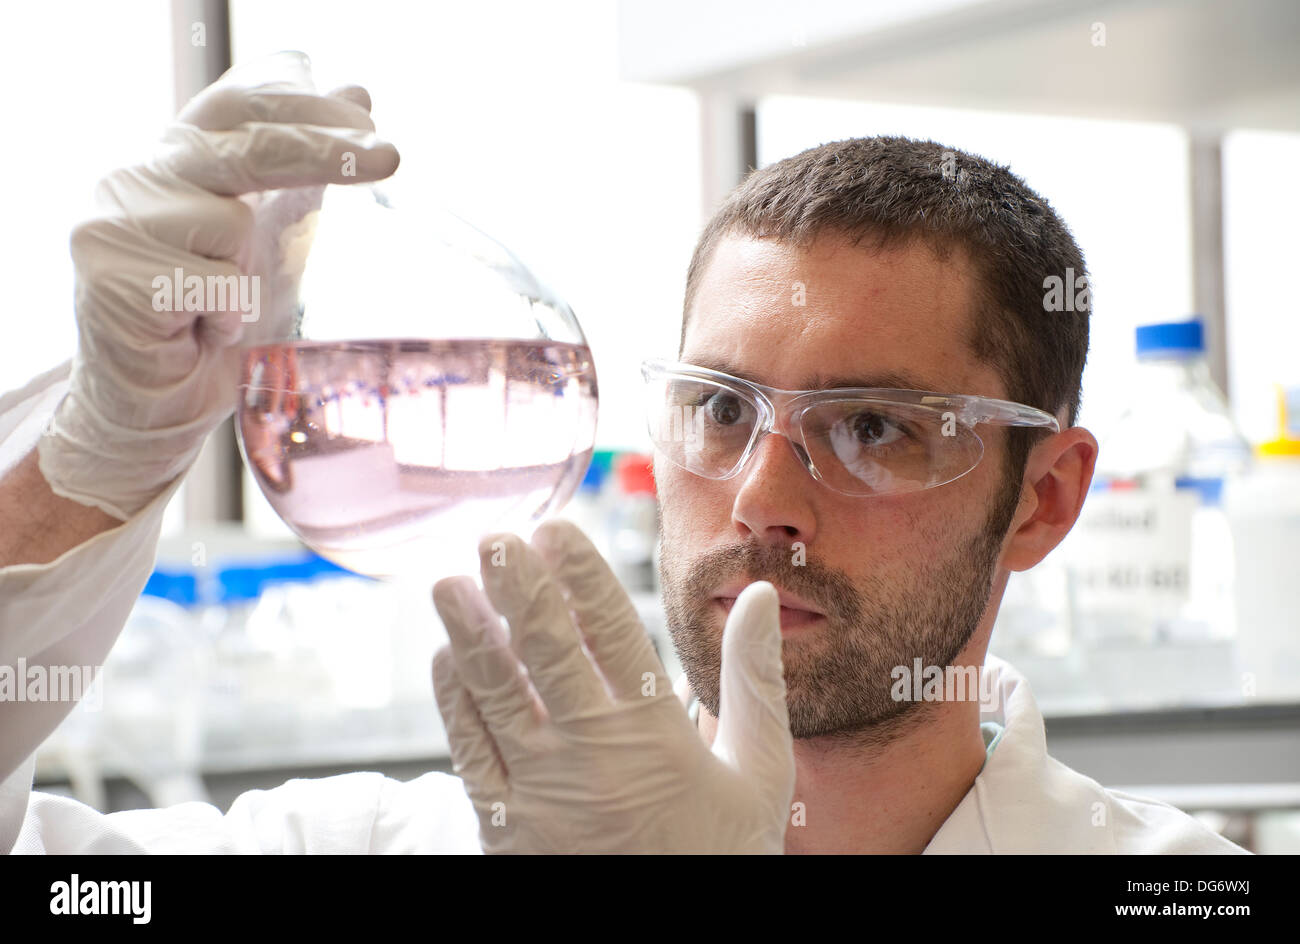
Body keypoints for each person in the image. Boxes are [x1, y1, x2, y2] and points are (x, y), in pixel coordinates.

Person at [0, 63, 1246, 854]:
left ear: (1045, 498)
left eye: (871, 427)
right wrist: (89, 466)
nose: (761, 498)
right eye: (719, 411)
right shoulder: (387, 841)